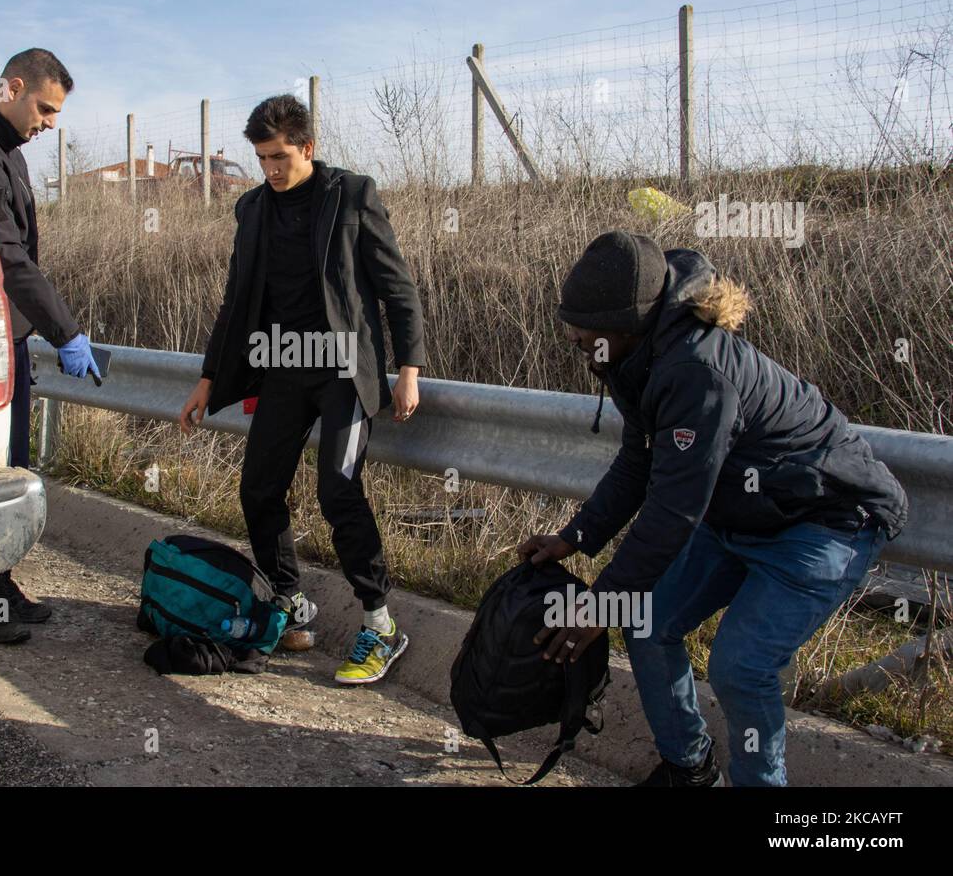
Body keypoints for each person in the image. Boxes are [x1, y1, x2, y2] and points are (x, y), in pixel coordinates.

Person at [518, 231, 907, 786]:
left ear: (626, 321)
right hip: (741, 513)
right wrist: (576, 536)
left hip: (824, 521)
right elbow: (640, 463)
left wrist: (600, 602)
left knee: (740, 667)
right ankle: (690, 769)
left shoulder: (695, 370)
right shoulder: (632, 352)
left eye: (584, 324)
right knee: (647, 623)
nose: (574, 335)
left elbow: (674, 510)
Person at [179, 95, 426, 685]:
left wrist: (409, 367)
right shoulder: (252, 209)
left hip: (344, 370)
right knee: (258, 489)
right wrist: (209, 378)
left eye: (280, 157)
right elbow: (234, 302)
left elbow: (398, 286)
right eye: (262, 158)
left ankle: (380, 625)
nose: (271, 168)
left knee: (338, 490)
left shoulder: (351, 194)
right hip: (282, 366)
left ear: (307, 148)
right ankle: (291, 605)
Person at [0, 48, 102, 643]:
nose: (50, 123)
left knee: (10, 465)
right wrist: (66, 330)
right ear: (12, 87)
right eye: (44, 108)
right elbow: (6, 256)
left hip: (6, 335)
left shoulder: (5, 148)